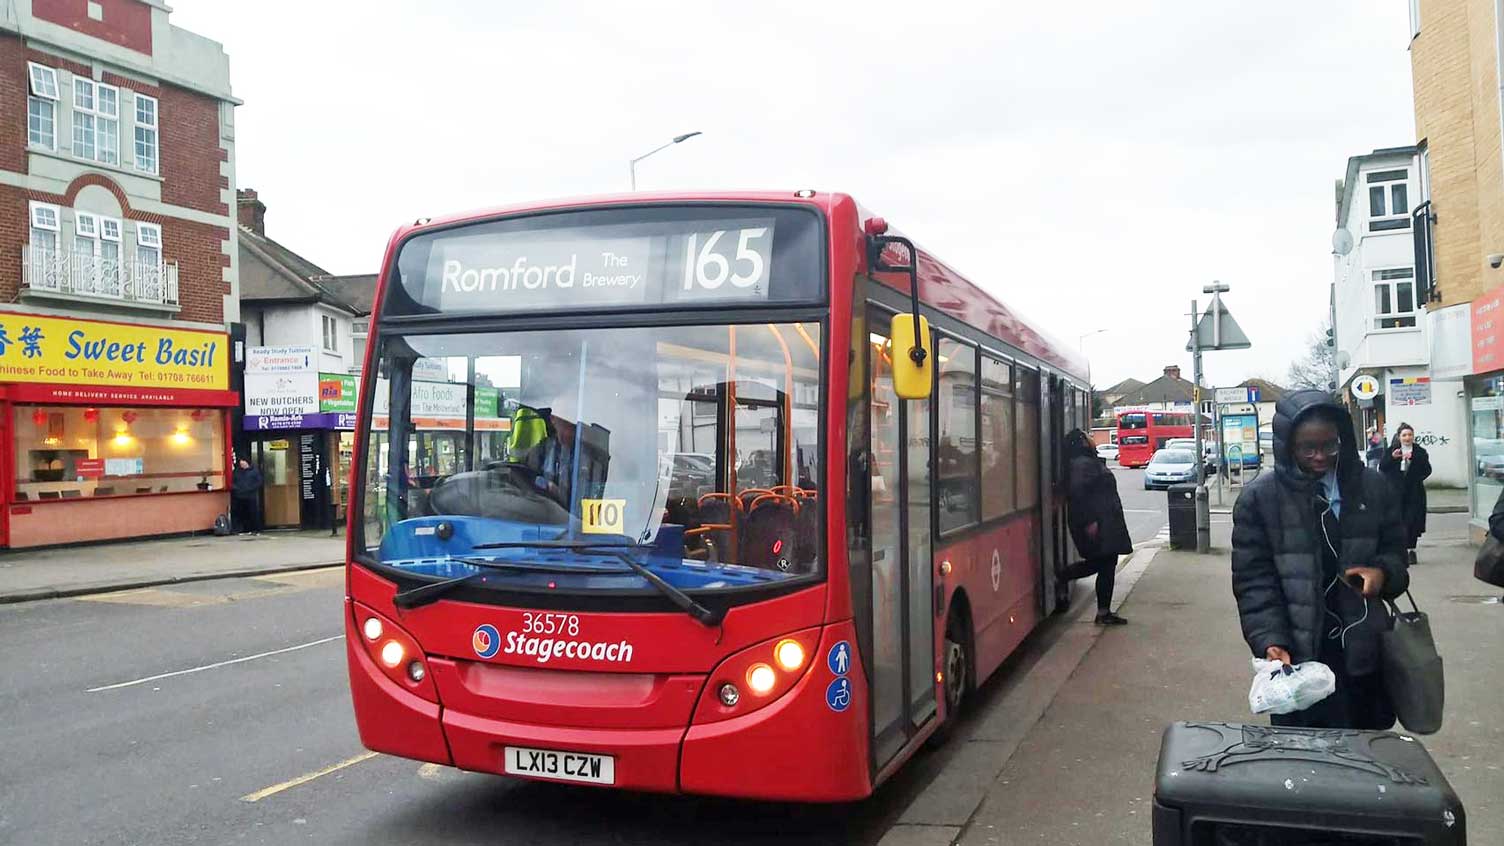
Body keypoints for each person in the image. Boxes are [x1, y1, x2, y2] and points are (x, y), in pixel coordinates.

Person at [1231, 390, 1409, 729]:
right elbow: (1254, 581)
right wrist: (1270, 639)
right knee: (1305, 753)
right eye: (1307, 448)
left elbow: (1397, 555)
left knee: (1365, 747)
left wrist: (1383, 574)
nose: (1320, 456)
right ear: (1288, 446)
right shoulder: (1259, 499)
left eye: (1330, 445)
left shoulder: (1374, 487)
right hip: (1299, 658)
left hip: (1364, 654)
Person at [1061, 429, 1132, 625]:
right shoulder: (1082, 464)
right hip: (1097, 523)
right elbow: (1079, 495)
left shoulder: (1086, 462)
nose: (1091, 439)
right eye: (1087, 436)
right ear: (1082, 443)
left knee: (1106, 563)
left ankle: (1103, 611)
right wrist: (1089, 521)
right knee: (1103, 563)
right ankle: (1063, 576)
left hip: (1104, 520)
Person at [1380, 423, 1432, 566]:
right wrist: (1392, 458)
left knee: (1412, 522)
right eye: (1404, 435)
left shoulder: (1420, 452)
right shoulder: (1392, 450)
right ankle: (1400, 551)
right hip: (1396, 494)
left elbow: (1427, 470)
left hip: (1414, 493)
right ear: (1399, 437)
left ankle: (1411, 550)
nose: (1407, 438)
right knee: (1398, 522)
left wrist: (1414, 460)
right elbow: (1382, 467)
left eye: (1410, 435)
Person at [231, 456, 264, 535]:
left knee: (253, 513)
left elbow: (259, 482)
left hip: (250, 496)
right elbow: (233, 482)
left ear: (247, 463)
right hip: (240, 496)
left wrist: (251, 488)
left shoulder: (254, 471)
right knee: (241, 513)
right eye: (241, 464)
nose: (242, 465)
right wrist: (237, 488)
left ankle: (255, 529)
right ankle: (242, 529)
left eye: (243, 464)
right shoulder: (237, 472)